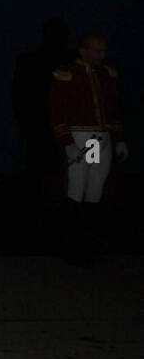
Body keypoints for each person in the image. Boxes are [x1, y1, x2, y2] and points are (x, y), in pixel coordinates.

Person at [48, 32, 128, 259]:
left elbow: (113, 110)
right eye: (96, 50)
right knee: (77, 189)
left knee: (95, 190)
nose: (101, 54)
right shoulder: (68, 75)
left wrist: (119, 138)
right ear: (83, 50)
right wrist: (67, 144)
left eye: (103, 50)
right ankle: (71, 246)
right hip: (83, 138)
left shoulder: (106, 75)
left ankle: (90, 244)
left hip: (103, 138)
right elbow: (57, 112)